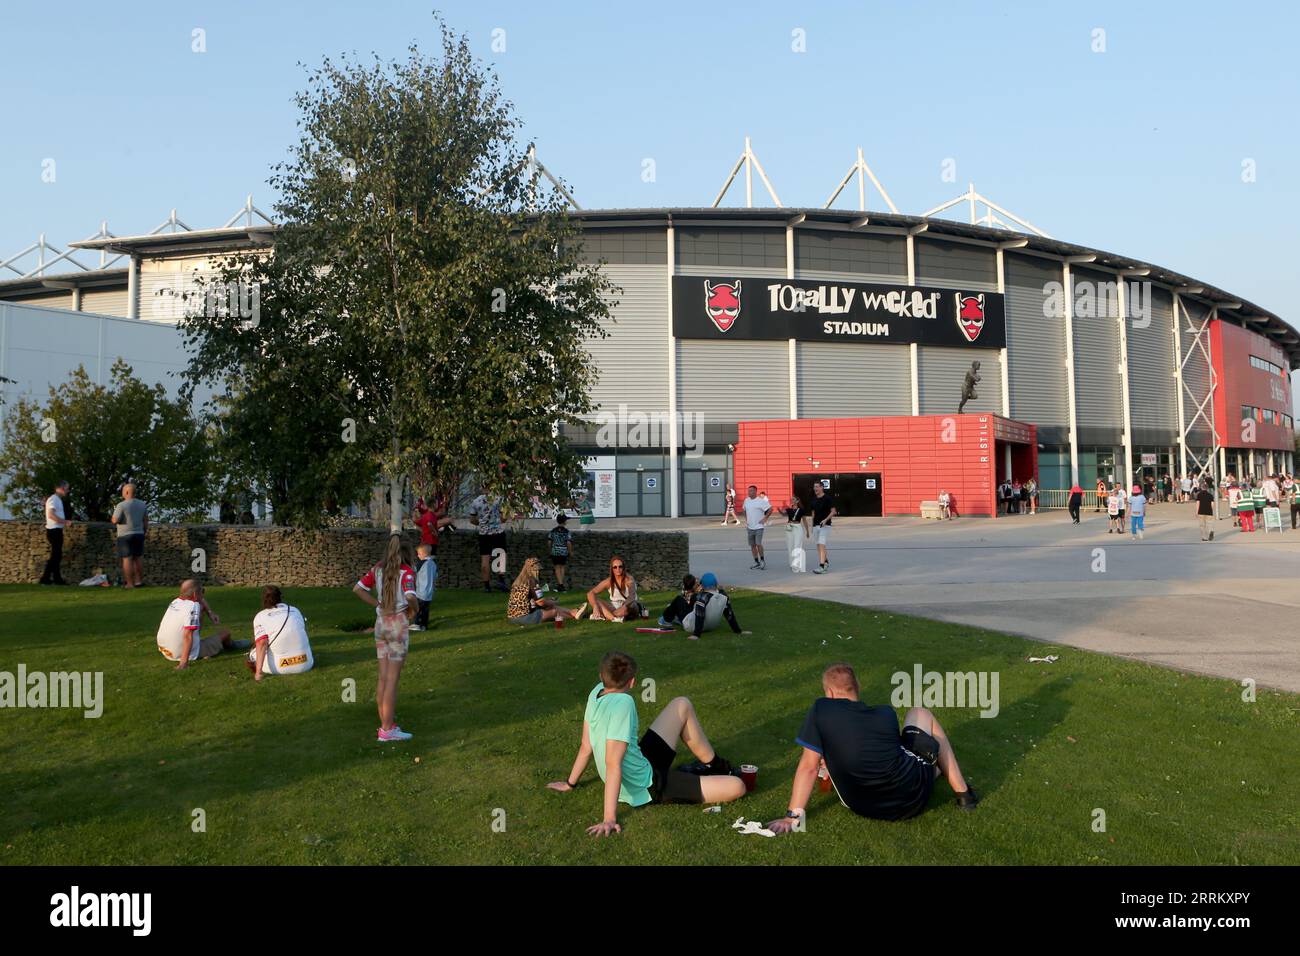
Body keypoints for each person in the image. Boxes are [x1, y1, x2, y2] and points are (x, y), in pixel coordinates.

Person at [546, 651, 746, 835]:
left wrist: (570, 783)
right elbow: (613, 763)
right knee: (738, 786)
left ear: (601, 676)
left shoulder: (596, 691)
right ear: (632, 682)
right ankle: (702, 772)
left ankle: (714, 766)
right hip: (647, 786)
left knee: (681, 704)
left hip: (642, 760)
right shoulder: (624, 703)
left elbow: (585, 746)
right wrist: (609, 818)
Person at [765, 663, 978, 834]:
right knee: (921, 713)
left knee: (919, 748)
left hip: (862, 804)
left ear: (829, 693)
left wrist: (792, 817)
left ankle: (940, 771)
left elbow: (808, 767)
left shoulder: (821, 708)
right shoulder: (885, 714)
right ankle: (964, 795)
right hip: (913, 799)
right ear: (857, 687)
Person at [352, 535, 418, 742]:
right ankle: (387, 729)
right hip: (397, 625)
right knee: (392, 679)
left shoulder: (378, 569)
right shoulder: (407, 573)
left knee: (383, 677)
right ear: (407, 553)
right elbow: (410, 596)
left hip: (380, 625)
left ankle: (386, 722)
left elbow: (358, 589)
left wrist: (377, 605)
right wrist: (414, 611)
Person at [155, 579, 241, 669]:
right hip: (179, 653)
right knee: (226, 633)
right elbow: (187, 635)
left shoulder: (175, 602)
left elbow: (202, 601)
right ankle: (231, 645)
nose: (203, 595)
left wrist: (210, 612)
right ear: (195, 594)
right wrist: (183, 663)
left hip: (165, 650)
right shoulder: (193, 606)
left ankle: (197, 642)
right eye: (202, 591)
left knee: (201, 609)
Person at [246, 585, 314, 681]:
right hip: (305, 663)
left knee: (253, 654)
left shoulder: (260, 616)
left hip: (279, 667)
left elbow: (262, 643)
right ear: (280, 596)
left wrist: (258, 672)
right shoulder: (295, 610)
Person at [507, 557, 585, 625]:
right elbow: (541, 602)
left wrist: (548, 600)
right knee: (554, 611)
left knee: (550, 605)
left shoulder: (518, 582)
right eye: (536, 570)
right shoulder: (531, 581)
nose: (538, 572)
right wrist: (553, 602)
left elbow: (535, 600)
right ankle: (574, 615)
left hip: (513, 618)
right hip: (525, 617)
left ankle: (574, 612)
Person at [679, 572, 747, 640]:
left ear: (702, 585)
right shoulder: (723, 595)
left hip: (691, 626)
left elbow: (700, 616)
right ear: (716, 584)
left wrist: (696, 635)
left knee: (679, 600)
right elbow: (729, 615)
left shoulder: (702, 597)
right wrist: (738, 631)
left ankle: (669, 620)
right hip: (712, 627)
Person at [468, 492, 509, 593]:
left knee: (485, 559)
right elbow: (503, 518)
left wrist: (482, 523)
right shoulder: (499, 499)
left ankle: (487, 586)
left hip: (484, 534)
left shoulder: (476, 501)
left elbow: (472, 520)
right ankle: (501, 580)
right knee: (501, 556)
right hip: (497, 532)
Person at [110, 482, 148, 588]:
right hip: (139, 533)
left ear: (126, 492)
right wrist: (144, 531)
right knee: (138, 558)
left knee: (127, 558)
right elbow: (145, 521)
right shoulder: (142, 504)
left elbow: (115, 520)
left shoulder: (121, 505)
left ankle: (130, 583)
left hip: (125, 535)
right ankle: (138, 581)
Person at [587, 556, 643, 622]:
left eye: (620, 566)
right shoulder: (608, 581)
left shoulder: (629, 579)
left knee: (631, 605)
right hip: (614, 607)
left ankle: (607, 616)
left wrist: (624, 606)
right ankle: (614, 618)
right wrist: (595, 606)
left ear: (623, 567)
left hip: (628, 606)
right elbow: (591, 593)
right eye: (615, 567)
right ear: (612, 569)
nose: (618, 569)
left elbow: (632, 596)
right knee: (596, 600)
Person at [40, 480, 71, 585]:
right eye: (67, 488)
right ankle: (45, 578)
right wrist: (65, 521)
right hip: (54, 530)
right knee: (55, 556)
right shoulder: (54, 499)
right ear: (62, 488)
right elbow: (50, 515)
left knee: (56, 555)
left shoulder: (56, 499)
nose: (67, 491)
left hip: (56, 530)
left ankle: (55, 579)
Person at [742, 485, 772, 570]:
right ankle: (756, 562)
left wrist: (765, 518)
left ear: (755, 491)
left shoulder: (760, 501)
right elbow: (744, 509)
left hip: (759, 526)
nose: (749, 492)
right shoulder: (746, 500)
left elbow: (770, 509)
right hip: (750, 527)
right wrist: (746, 520)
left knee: (758, 544)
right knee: (752, 545)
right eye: (748, 491)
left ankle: (762, 561)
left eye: (751, 491)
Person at [811, 481, 836, 574]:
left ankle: (822, 566)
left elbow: (833, 511)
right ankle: (826, 562)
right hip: (816, 526)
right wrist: (812, 525)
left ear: (822, 487)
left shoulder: (828, 498)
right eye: (814, 487)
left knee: (821, 545)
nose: (815, 488)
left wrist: (825, 520)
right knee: (818, 545)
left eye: (817, 487)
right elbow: (813, 513)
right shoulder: (813, 499)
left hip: (825, 526)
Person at [412, 543, 436, 631]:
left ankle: (417, 624)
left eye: (419, 553)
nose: (418, 556)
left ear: (424, 554)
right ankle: (424, 625)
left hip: (421, 591)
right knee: (425, 609)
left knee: (418, 608)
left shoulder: (421, 563)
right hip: (429, 592)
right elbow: (435, 575)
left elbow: (413, 570)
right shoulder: (433, 564)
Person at [547, 512, 575, 591]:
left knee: (557, 567)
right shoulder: (567, 532)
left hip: (555, 551)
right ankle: (561, 584)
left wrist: (550, 550)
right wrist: (570, 552)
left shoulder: (553, 531)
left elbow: (549, 542)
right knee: (562, 567)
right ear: (564, 521)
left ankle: (560, 584)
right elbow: (568, 542)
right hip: (563, 551)